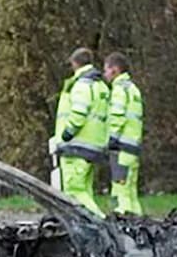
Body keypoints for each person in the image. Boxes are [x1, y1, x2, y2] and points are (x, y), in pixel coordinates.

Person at [53, 47, 109, 216]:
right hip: (94, 145)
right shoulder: (101, 86)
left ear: (74, 63)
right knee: (85, 190)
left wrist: (67, 133)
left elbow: (79, 112)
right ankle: (91, 231)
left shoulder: (81, 85)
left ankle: (102, 224)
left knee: (74, 190)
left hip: (76, 146)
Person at [104, 52, 144, 215]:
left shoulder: (119, 89)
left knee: (122, 190)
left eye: (106, 69)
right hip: (133, 146)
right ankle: (141, 224)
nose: (105, 74)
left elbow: (117, 116)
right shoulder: (133, 89)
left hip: (122, 147)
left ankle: (126, 222)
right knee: (131, 191)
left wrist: (112, 137)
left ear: (115, 70)